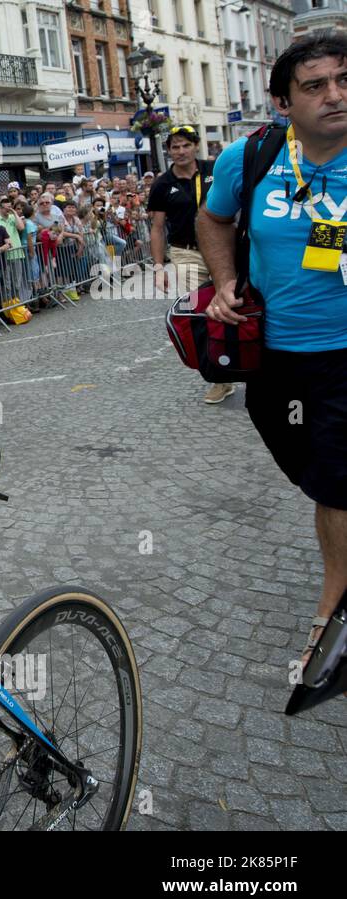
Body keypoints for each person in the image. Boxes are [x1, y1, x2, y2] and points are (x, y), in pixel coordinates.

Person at [197, 30, 347, 676]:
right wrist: (225, 280)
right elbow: (212, 219)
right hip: (276, 358)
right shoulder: (250, 156)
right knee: (314, 471)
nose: (335, 96)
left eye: (344, 80)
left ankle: (332, 617)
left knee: (337, 482)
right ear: (284, 102)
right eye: (315, 86)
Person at [147, 124, 227, 404]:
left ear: (195, 146)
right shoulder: (161, 184)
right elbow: (157, 228)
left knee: (233, 303)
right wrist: (158, 268)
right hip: (186, 252)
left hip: (223, 249)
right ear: (168, 151)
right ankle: (219, 377)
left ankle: (247, 359)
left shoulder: (215, 171)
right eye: (175, 147)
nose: (180, 151)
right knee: (204, 312)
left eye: (185, 145)